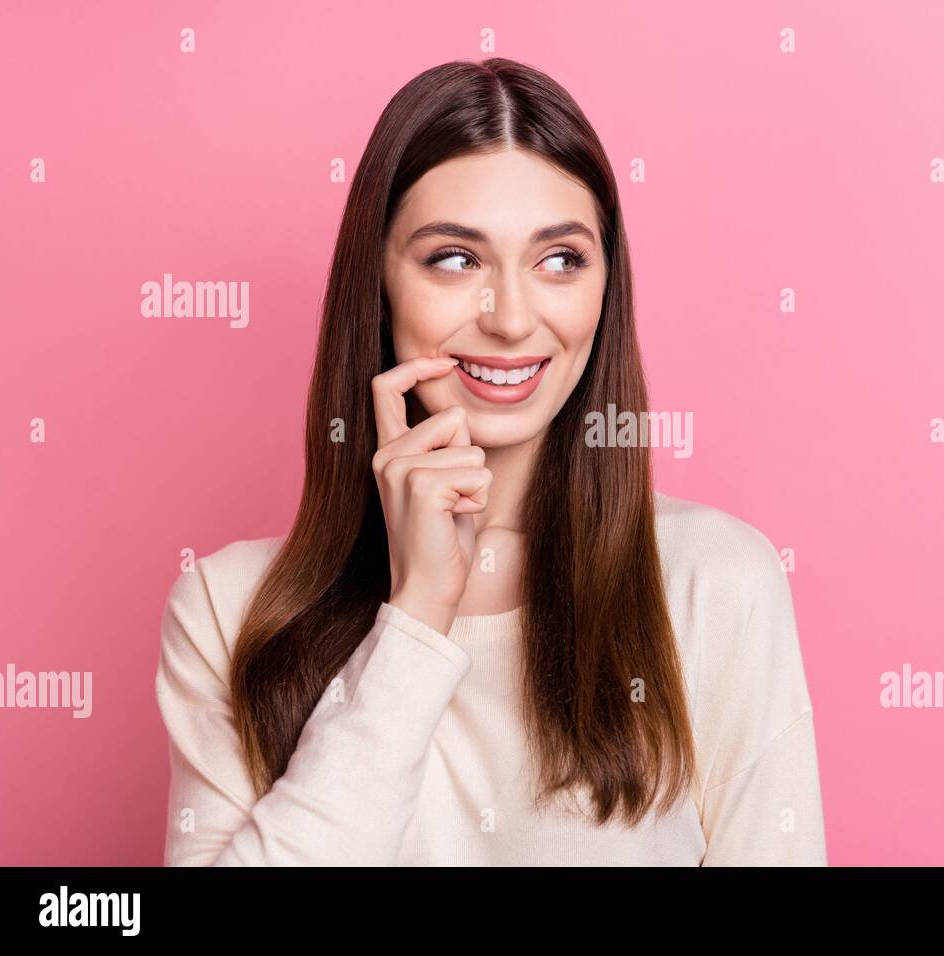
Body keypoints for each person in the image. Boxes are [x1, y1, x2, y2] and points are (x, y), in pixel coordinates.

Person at [154, 57, 825, 866]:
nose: (510, 319)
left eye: (560, 260)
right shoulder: (227, 612)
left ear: (606, 287)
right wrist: (417, 615)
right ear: (379, 287)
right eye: (455, 259)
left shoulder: (715, 582)